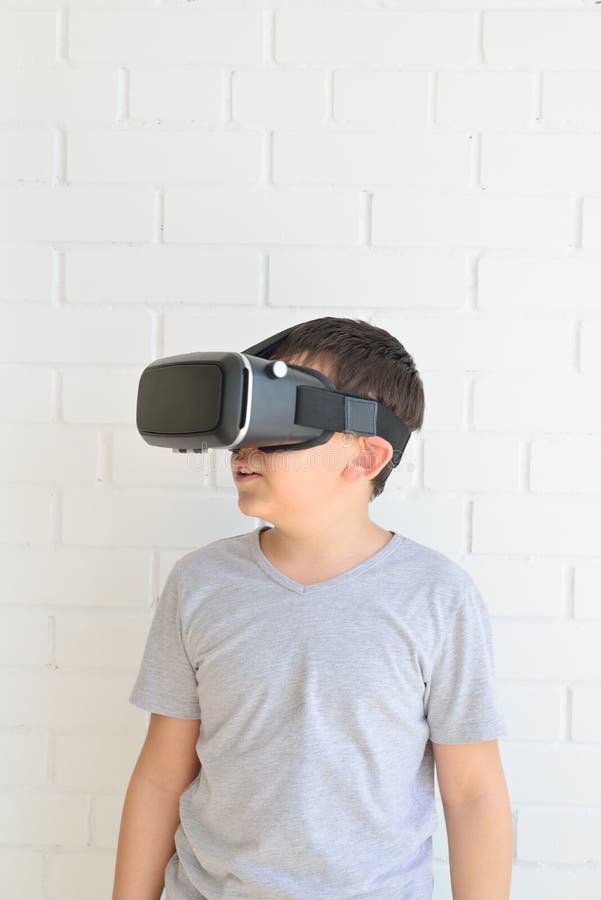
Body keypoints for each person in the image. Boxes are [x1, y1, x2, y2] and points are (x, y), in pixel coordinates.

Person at [112, 316, 513, 900]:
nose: (245, 446)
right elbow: (159, 777)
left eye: (282, 417)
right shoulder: (200, 584)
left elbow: (474, 792)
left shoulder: (437, 598)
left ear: (364, 458)